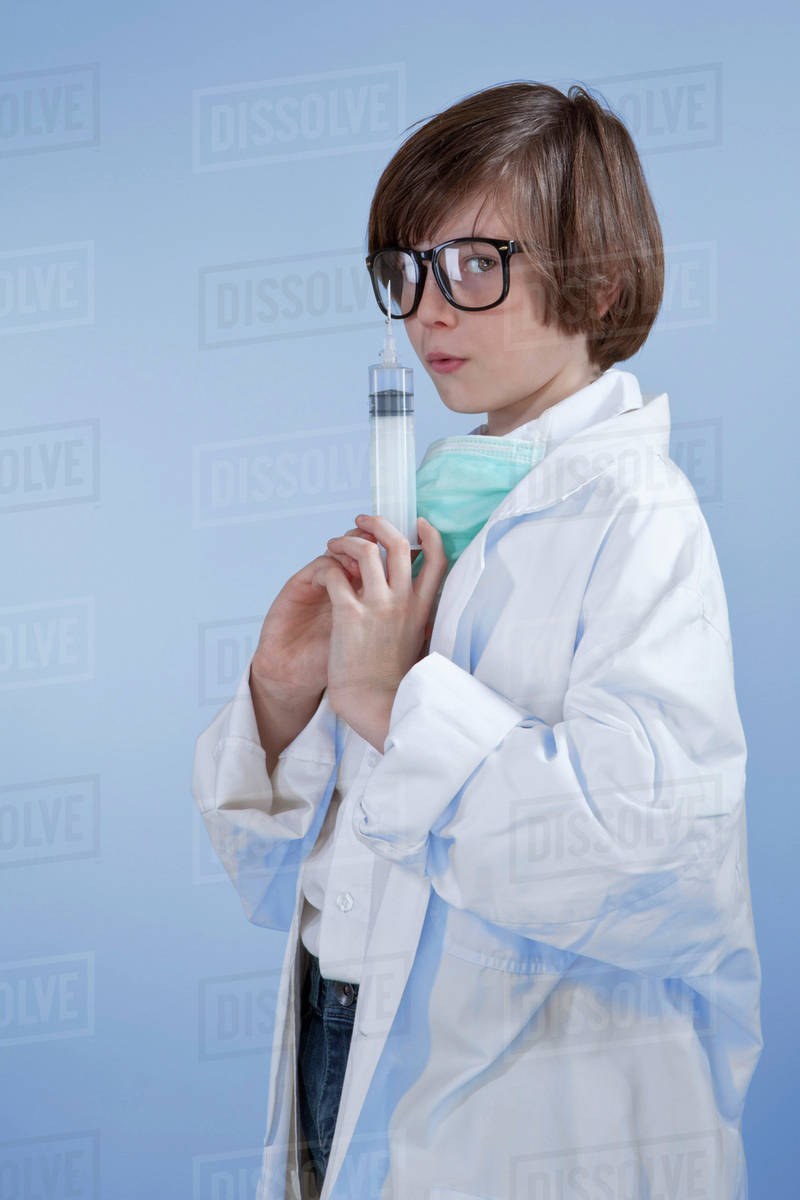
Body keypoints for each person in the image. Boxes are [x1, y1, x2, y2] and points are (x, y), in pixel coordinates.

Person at [191, 81, 762, 1200]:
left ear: (596, 277)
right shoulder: (449, 501)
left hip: (540, 1108)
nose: (427, 312)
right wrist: (281, 696)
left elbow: (654, 864)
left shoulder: (637, 517)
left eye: (474, 264)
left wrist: (387, 704)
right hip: (343, 1038)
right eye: (406, 270)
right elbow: (280, 883)